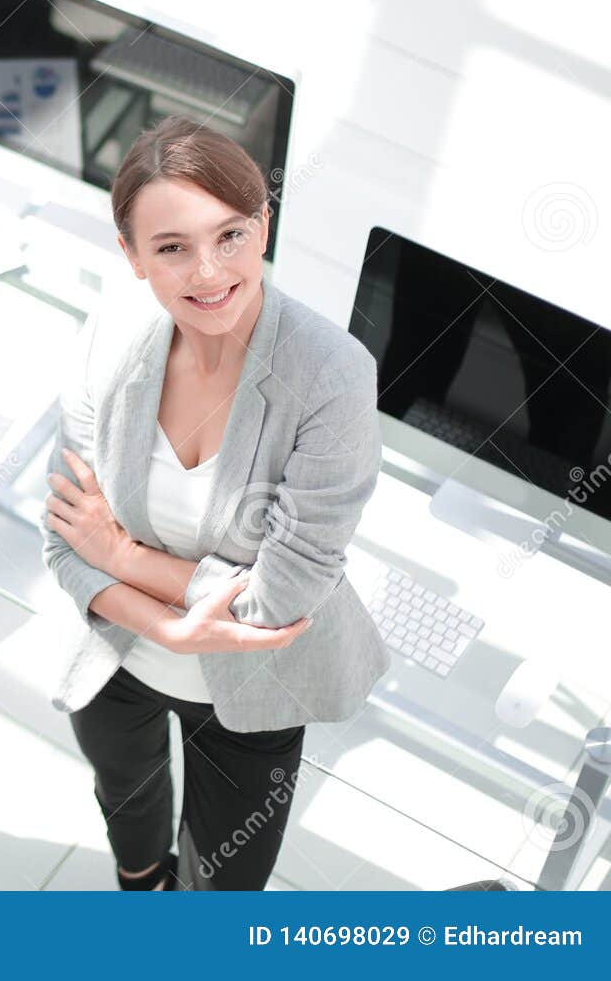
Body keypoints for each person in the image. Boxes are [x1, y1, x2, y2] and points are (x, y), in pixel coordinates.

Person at [42, 115, 390, 891]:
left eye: (230, 235)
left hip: (257, 688)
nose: (208, 272)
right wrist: (168, 623)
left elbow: (277, 603)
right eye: (171, 247)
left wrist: (125, 556)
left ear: (263, 224)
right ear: (130, 254)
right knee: (130, 830)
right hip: (118, 657)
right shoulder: (111, 338)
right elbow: (65, 542)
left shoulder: (333, 375)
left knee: (221, 898)